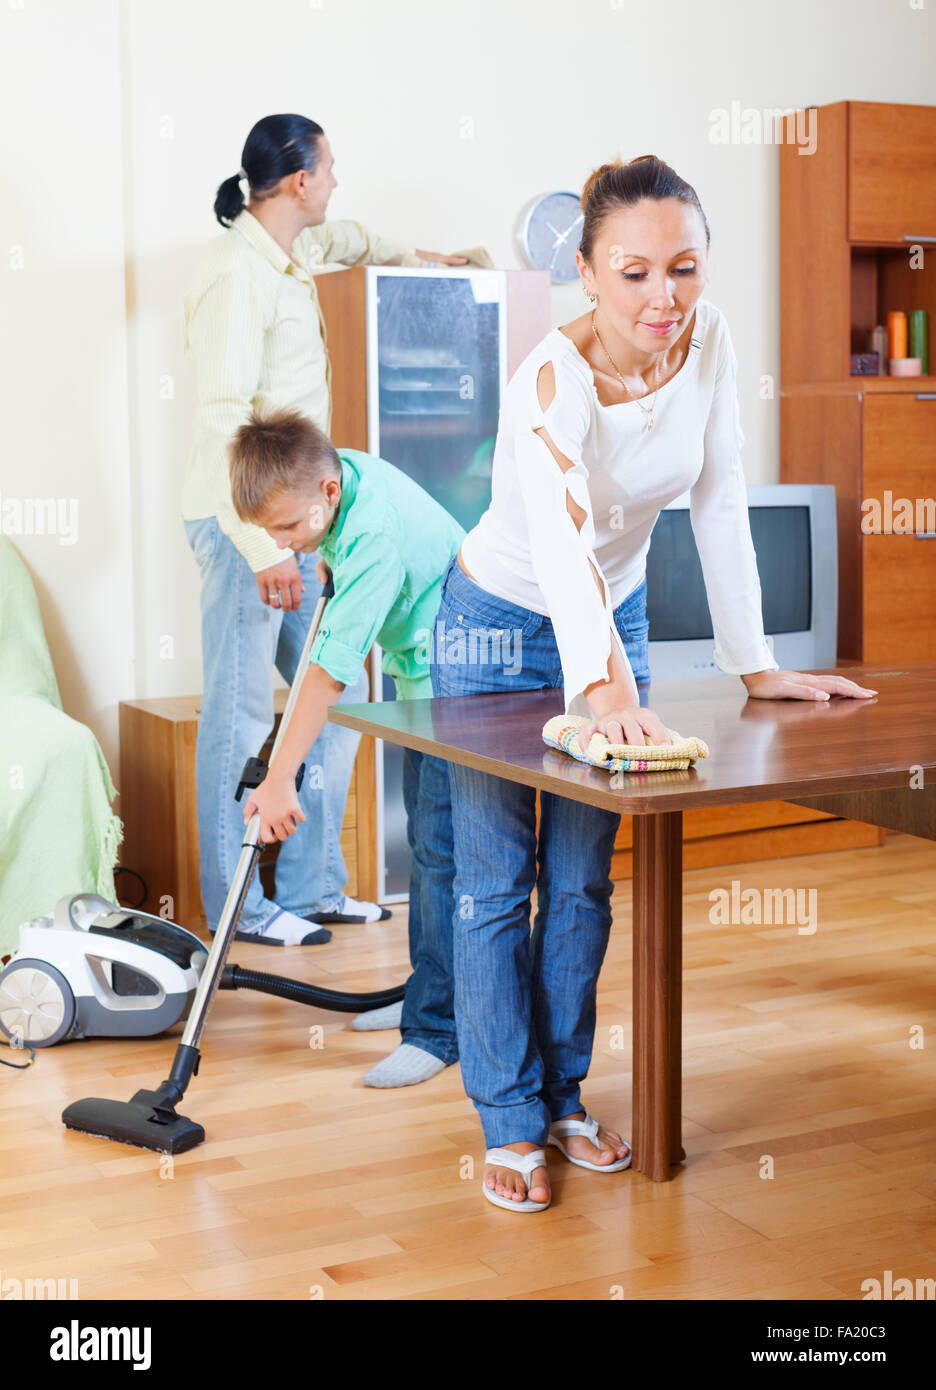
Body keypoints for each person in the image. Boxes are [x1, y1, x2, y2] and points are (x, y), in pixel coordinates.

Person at [430, 154, 877, 1213]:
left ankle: (565, 1097)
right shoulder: (548, 378)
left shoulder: (707, 342)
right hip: (498, 622)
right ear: (585, 273)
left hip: (610, 616)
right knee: (497, 884)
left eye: (683, 268)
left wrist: (756, 663)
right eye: (634, 274)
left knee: (584, 882)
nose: (662, 298)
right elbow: (566, 542)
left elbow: (720, 500)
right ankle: (508, 1119)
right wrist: (605, 689)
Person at [182, 112, 470, 946]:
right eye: (330, 168)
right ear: (299, 179)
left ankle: (310, 890)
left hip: (303, 522)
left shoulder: (293, 252)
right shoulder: (238, 274)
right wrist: (266, 546)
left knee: (350, 697)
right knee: (240, 719)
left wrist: (419, 259)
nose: (337, 180)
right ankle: (235, 910)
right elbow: (219, 426)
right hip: (253, 526)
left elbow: (351, 235)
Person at [228, 408, 465, 1088]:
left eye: (291, 529)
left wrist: (280, 777)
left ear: (327, 495)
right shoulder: (338, 476)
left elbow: (333, 672)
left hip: (460, 680)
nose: (288, 546)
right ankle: (425, 996)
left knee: (444, 854)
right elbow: (329, 632)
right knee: (429, 846)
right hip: (422, 677)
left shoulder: (371, 535)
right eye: (271, 533)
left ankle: (438, 1028)